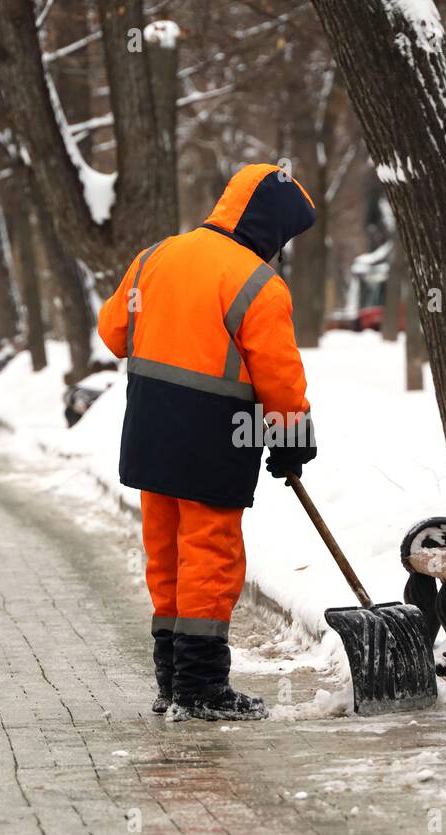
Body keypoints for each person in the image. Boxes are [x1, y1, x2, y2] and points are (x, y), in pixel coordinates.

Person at [97, 163, 318, 722]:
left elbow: (112, 333)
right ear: (271, 227)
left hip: (149, 434)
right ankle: (200, 688)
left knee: (165, 557)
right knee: (210, 559)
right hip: (213, 441)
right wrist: (291, 440)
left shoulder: (154, 257)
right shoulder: (258, 284)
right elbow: (280, 378)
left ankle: (171, 683)